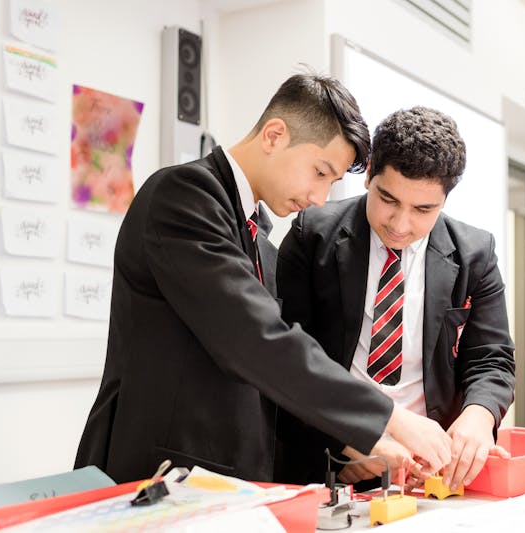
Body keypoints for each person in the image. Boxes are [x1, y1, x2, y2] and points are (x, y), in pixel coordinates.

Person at [74, 74, 452, 484]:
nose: (319, 198)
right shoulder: (183, 197)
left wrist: (360, 445)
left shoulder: (259, 238)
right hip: (157, 477)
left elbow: (272, 374)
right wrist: (391, 417)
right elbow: (257, 340)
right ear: (274, 135)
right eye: (319, 172)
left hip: (226, 482)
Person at [274, 106, 515, 492]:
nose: (400, 225)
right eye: (387, 199)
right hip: (332, 462)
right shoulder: (312, 235)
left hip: (431, 471)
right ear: (368, 174)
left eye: (423, 209)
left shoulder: (475, 254)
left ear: (444, 200)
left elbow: (492, 357)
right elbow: (288, 359)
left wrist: (479, 416)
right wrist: (346, 442)